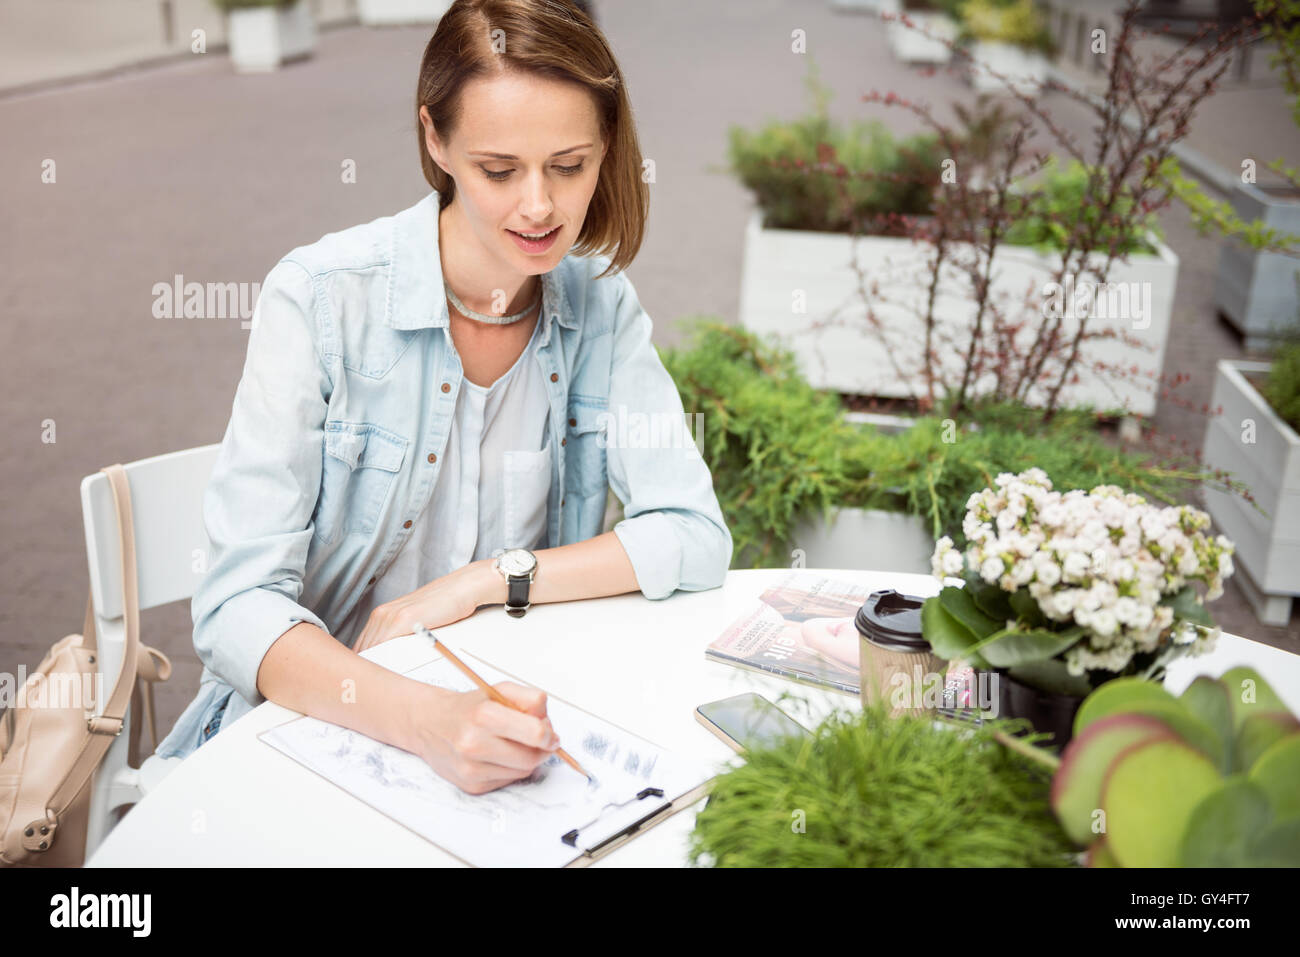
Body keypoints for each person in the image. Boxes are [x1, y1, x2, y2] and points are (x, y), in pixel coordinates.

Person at [153, 0, 733, 796]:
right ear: (435, 138)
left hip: (504, 729)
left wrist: (493, 576)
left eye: (570, 165)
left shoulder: (599, 304)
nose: (540, 207)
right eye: (500, 170)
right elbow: (236, 610)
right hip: (318, 729)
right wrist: (424, 718)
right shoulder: (322, 300)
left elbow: (694, 534)